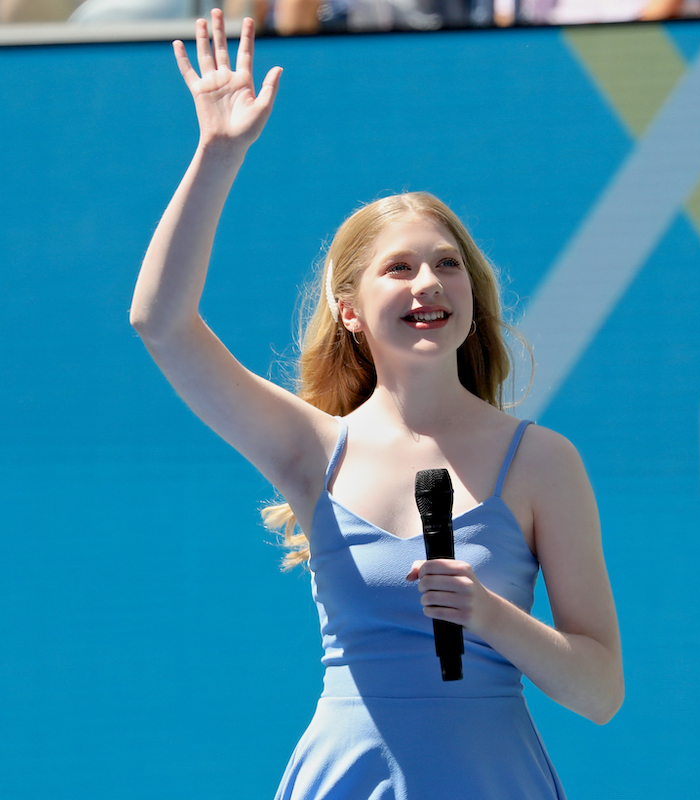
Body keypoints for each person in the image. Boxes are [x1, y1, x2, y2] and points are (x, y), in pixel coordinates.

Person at [129, 11, 623, 798]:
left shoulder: (543, 462)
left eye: (447, 265)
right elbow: (161, 322)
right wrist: (218, 154)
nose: (428, 284)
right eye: (399, 269)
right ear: (351, 309)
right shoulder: (310, 449)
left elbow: (600, 692)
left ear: (472, 296)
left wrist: (492, 617)